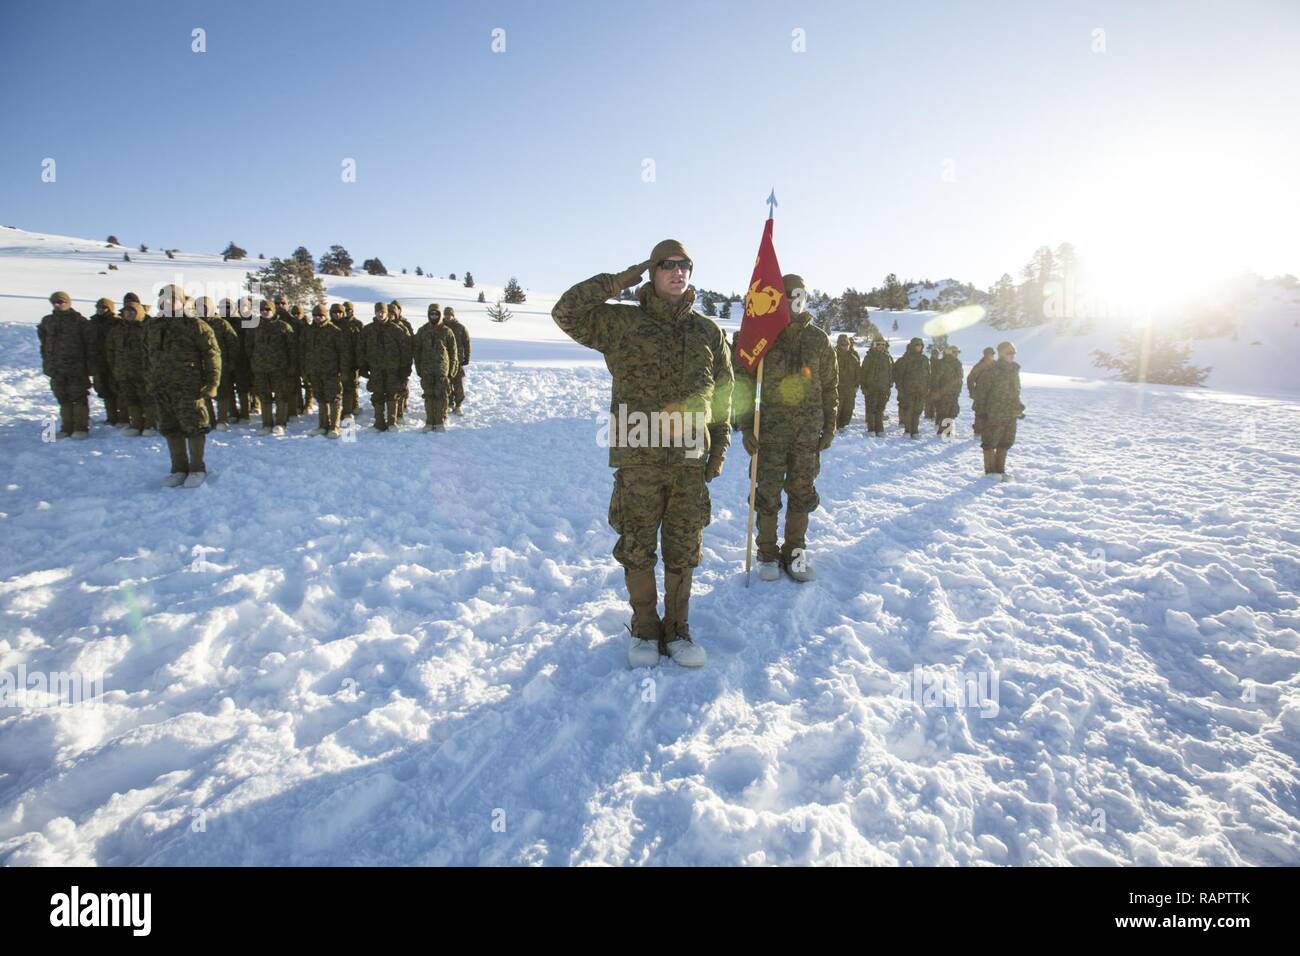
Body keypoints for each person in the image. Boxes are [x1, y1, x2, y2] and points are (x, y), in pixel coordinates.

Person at [552, 240, 732, 668]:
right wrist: (618, 281)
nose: (677, 272)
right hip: (638, 457)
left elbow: (726, 395)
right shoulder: (622, 324)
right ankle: (646, 629)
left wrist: (719, 445)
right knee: (637, 546)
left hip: (690, 459)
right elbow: (566, 313)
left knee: (684, 546)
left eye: (684, 265)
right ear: (651, 272)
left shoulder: (707, 331)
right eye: (666, 265)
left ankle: (679, 630)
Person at [737, 274, 837, 583]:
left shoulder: (819, 340)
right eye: (787, 294)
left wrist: (829, 426)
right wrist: (744, 425)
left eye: (799, 294)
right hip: (769, 432)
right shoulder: (763, 338)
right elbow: (743, 384)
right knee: (766, 492)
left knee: (801, 492)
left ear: (805, 297)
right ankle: (767, 552)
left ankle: (795, 552)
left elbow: (831, 386)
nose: (794, 300)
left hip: (807, 435)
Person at [146, 285, 220, 487]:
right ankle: (178, 468)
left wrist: (212, 383)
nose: (168, 303)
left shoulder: (195, 325)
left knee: (194, 427)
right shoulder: (153, 326)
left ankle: (197, 468)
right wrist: (150, 380)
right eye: (164, 300)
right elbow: (148, 356)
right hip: (162, 386)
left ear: (181, 302)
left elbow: (212, 356)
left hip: (189, 386)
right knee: (170, 428)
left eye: (173, 300)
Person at [37, 292, 91, 439]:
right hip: (56, 368)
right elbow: (44, 343)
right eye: (54, 302)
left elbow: (90, 345)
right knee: (63, 398)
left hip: (76, 367)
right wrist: (47, 363)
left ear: (68, 302)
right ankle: (67, 427)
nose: (58, 305)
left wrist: (90, 366)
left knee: (79, 398)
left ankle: (81, 428)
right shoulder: (47, 321)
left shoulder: (79, 321)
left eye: (61, 302)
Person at [359, 302, 410, 432]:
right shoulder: (368, 330)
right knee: (377, 394)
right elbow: (360, 349)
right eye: (378, 312)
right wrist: (363, 365)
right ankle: (379, 423)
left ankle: (392, 422)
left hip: (393, 368)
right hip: (375, 368)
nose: (381, 314)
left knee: (392, 394)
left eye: (383, 312)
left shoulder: (396, 329)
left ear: (387, 313)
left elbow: (405, 350)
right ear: (375, 313)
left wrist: (405, 368)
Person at [976, 340, 1024, 478]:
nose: (1012, 355)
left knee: (1006, 441)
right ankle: (990, 472)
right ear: (1002, 354)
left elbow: (1015, 391)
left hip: (1010, 413)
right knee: (990, 441)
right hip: (994, 412)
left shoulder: (1014, 370)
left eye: (1013, 352)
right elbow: (982, 392)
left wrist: (1018, 405)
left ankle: (1000, 471)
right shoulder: (992, 370)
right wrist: (982, 412)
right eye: (1009, 353)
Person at [106, 301, 154, 435]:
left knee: (148, 399)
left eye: (133, 311)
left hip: (145, 372)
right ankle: (136, 424)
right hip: (125, 372)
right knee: (131, 399)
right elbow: (110, 350)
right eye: (127, 311)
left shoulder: (149, 328)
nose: (129, 314)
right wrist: (115, 367)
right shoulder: (117, 330)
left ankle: (150, 425)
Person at [248, 298, 295, 436]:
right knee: (264, 396)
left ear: (273, 310)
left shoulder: (283, 326)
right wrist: (254, 360)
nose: (265, 312)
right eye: (262, 309)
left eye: (268, 309)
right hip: (260, 368)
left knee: (281, 396)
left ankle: (280, 423)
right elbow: (249, 346)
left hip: (279, 367)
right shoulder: (254, 326)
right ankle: (266, 423)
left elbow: (292, 348)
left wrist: (291, 365)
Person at [303, 303, 349, 438]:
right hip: (315, 371)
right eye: (316, 316)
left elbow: (343, 353)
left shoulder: (334, 331)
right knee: (321, 398)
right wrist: (305, 370)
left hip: (331, 371)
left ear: (326, 315)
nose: (318, 318)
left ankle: (334, 427)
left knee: (334, 398)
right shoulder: (308, 331)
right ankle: (323, 425)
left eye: (321, 315)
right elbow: (303, 351)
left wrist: (344, 371)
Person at [414, 304, 458, 432]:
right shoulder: (422, 331)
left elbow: (453, 352)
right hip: (426, 369)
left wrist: (452, 371)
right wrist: (419, 368)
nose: (434, 316)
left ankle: (439, 422)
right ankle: (429, 421)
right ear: (428, 315)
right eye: (432, 314)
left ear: (440, 315)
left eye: (436, 314)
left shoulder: (446, 331)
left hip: (442, 370)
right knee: (428, 395)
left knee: (442, 395)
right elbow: (417, 351)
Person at [199, 297, 240, 431]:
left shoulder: (221, 324)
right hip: (200, 365)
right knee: (204, 393)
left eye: (205, 307)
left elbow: (233, 343)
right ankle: (209, 418)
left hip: (220, 364)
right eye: (199, 307)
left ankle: (222, 419)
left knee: (222, 391)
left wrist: (231, 362)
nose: (202, 310)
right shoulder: (194, 324)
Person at [88, 297, 123, 426]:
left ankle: (122, 417)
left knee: (117, 389)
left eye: (104, 307)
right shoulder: (91, 323)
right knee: (103, 389)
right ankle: (111, 417)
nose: (101, 310)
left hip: (114, 362)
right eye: (99, 307)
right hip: (98, 362)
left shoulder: (117, 323)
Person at [892, 337, 929, 438]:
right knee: (908, 410)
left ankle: (915, 431)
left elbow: (928, 375)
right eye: (917, 345)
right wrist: (901, 389)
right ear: (912, 346)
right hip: (908, 390)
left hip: (921, 390)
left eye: (920, 345)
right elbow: (899, 376)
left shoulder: (924, 359)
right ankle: (908, 431)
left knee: (917, 411)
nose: (919, 347)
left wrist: (927, 388)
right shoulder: (905, 359)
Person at [860, 337, 894, 436]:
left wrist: (889, 384)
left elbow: (891, 372)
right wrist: (864, 387)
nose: (881, 347)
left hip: (883, 389)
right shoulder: (869, 357)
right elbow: (863, 373)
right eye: (879, 344)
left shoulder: (887, 357)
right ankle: (871, 429)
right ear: (875, 345)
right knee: (871, 409)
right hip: (871, 388)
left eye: (883, 345)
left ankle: (879, 429)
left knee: (880, 409)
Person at [442, 306, 471, 415]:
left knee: (458, 384)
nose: (448, 317)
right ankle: (449, 403)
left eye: (450, 315)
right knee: (447, 383)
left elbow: (467, 343)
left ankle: (458, 405)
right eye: (446, 315)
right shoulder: (441, 327)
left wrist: (467, 357)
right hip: (444, 361)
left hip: (457, 361)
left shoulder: (460, 328)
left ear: (453, 315)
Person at [933, 344, 964, 436]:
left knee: (952, 411)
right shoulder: (943, 363)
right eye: (954, 352)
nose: (956, 354)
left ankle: (946, 431)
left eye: (957, 352)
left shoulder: (957, 363)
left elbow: (960, 377)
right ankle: (943, 432)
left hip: (954, 392)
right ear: (950, 352)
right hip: (944, 393)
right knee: (943, 412)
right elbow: (936, 378)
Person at [967, 346, 996, 437]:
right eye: (989, 354)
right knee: (980, 413)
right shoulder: (979, 365)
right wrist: (972, 392)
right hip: (981, 394)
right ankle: (978, 433)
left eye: (992, 354)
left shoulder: (996, 365)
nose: (991, 356)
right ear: (985, 355)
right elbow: (970, 379)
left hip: (993, 394)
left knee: (992, 414)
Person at [834, 334, 861, 430]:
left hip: (850, 388)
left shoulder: (853, 357)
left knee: (848, 408)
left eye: (847, 344)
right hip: (837, 388)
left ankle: (843, 425)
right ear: (839, 344)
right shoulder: (833, 355)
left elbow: (858, 372)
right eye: (843, 344)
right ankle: (834, 426)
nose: (845, 346)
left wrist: (857, 385)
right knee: (837, 407)